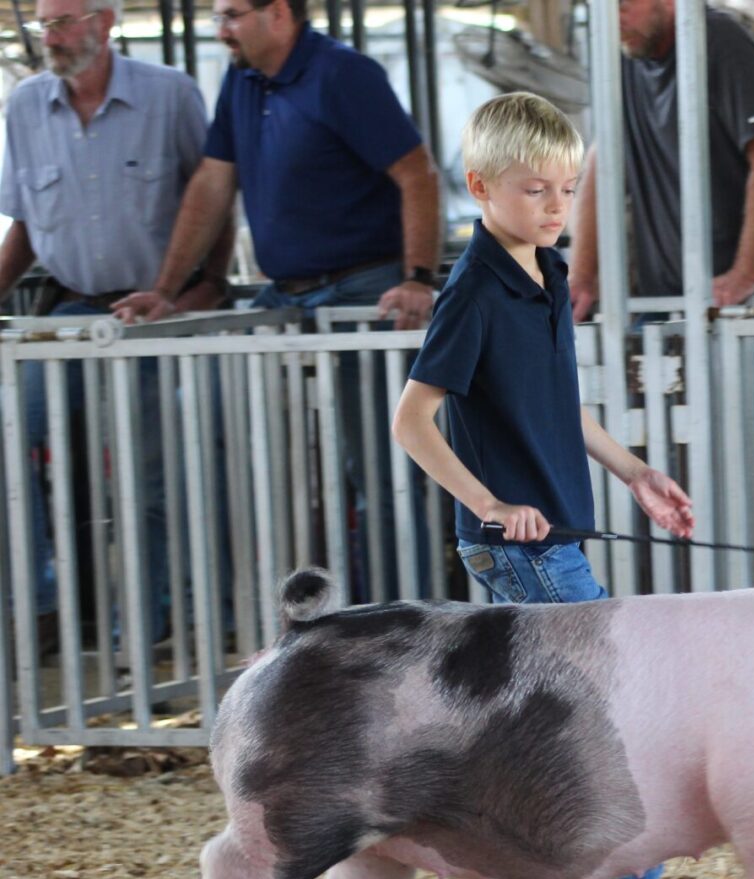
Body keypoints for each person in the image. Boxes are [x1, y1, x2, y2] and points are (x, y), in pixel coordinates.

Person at [392, 92, 726, 879]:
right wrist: (491, 506)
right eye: (535, 190)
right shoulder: (472, 291)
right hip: (522, 546)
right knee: (625, 710)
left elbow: (557, 405)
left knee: (606, 709)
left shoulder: (541, 273)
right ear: (480, 187)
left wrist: (636, 471)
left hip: (556, 535)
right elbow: (411, 421)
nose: (555, 207)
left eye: (567, 189)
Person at [114, 0, 443, 603]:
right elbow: (213, 184)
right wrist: (166, 290)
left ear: (281, 13)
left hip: (363, 287)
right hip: (285, 290)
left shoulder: (343, 74)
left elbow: (417, 172)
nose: (221, 30)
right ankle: (262, 610)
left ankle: (407, 618)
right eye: (218, 16)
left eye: (233, 14)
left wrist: (418, 275)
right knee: (223, 423)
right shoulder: (241, 80)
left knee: (380, 463)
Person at [0, 0, 233, 648]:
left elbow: (215, 191)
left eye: (67, 20)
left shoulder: (169, 94)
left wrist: (207, 286)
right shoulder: (24, 105)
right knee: (13, 437)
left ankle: (148, 627)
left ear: (106, 22)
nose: (53, 35)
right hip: (73, 310)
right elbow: (24, 219)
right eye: (46, 23)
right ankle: (42, 604)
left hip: (157, 315)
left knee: (146, 476)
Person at [569, 0, 754, 316]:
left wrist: (746, 274)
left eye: (623, 5)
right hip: (674, 301)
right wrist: (582, 275)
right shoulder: (622, 55)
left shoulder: (718, 40)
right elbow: (602, 166)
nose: (614, 19)